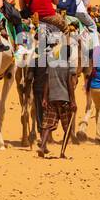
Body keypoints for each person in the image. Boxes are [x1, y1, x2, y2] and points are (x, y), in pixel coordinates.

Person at [37, 27, 75, 159]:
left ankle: (42, 146)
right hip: (64, 99)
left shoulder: (52, 64)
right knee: (67, 128)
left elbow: (47, 82)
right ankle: (62, 152)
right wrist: (73, 101)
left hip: (52, 98)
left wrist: (45, 98)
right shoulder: (68, 65)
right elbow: (70, 85)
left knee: (48, 125)